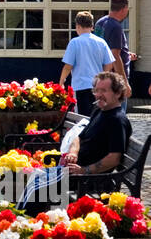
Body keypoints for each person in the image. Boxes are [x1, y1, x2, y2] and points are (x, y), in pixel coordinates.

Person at [18, 70, 132, 207]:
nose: (99, 95)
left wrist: (84, 171)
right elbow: (79, 137)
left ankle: (25, 221)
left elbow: (114, 158)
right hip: (74, 171)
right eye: (96, 90)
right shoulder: (100, 111)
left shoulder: (117, 120)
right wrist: (73, 152)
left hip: (89, 179)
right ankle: (26, 221)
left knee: (37, 187)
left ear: (118, 93)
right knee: (35, 177)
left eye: (104, 91)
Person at [59, 11, 115, 115]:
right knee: (97, 116)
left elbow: (68, 66)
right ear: (92, 26)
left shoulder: (75, 42)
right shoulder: (101, 42)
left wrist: (61, 81)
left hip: (81, 86)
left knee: (82, 118)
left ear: (78, 26)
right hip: (98, 86)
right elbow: (109, 64)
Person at [95, 0, 136, 98]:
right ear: (124, 9)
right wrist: (124, 83)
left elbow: (104, 49)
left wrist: (126, 55)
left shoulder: (100, 22)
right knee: (117, 112)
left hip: (101, 77)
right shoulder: (116, 27)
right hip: (114, 82)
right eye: (127, 8)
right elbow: (115, 56)